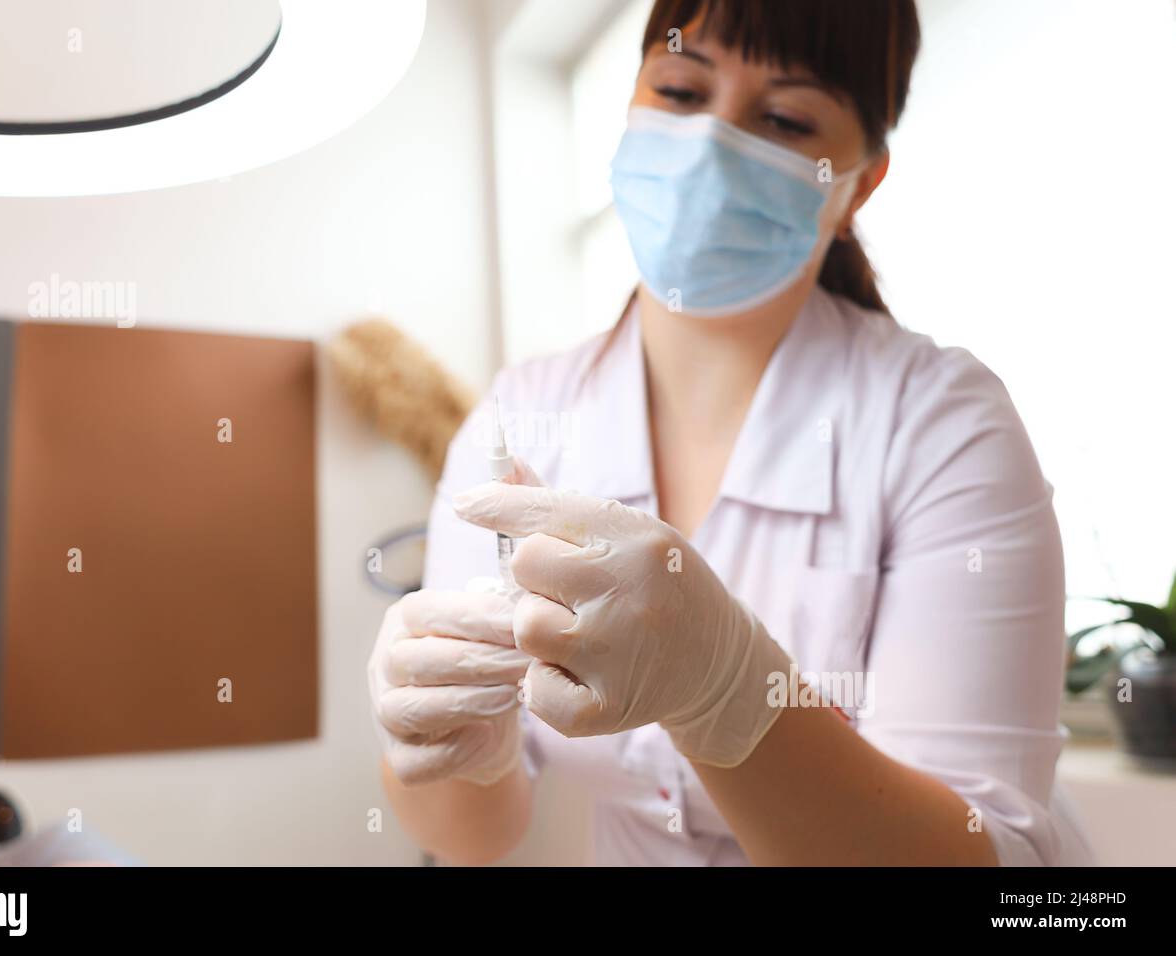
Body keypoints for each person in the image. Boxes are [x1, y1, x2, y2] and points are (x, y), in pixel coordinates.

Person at [367, 0, 1094, 866]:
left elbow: (984, 861)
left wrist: (729, 693)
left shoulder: (942, 425)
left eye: (785, 118)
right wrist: (455, 746)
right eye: (679, 88)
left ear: (857, 182)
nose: (711, 144)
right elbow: (476, 838)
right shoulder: (521, 420)